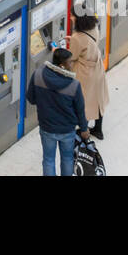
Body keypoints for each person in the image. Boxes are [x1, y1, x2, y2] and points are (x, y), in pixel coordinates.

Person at [25, 47, 89, 176]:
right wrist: (84, 128)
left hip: (47, 127)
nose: (72, 64)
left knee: (48, 160)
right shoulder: (74, 85)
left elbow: (31, 99)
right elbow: (80, 110)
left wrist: (45, 102)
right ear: (62, 65)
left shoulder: (38, 75)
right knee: (67, 159)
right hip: (67, 130)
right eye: (70, 62)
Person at [68, 14, 108, 139]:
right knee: (97, 99)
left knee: (83, 101)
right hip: (97, 67)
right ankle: (98, 129)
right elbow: (88, 44)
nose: (70, 18)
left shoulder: (77, 37)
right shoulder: (93, 27)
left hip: (85, 72)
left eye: (72, 16)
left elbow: (72, 57)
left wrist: (58, 50)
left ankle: (83, 131)